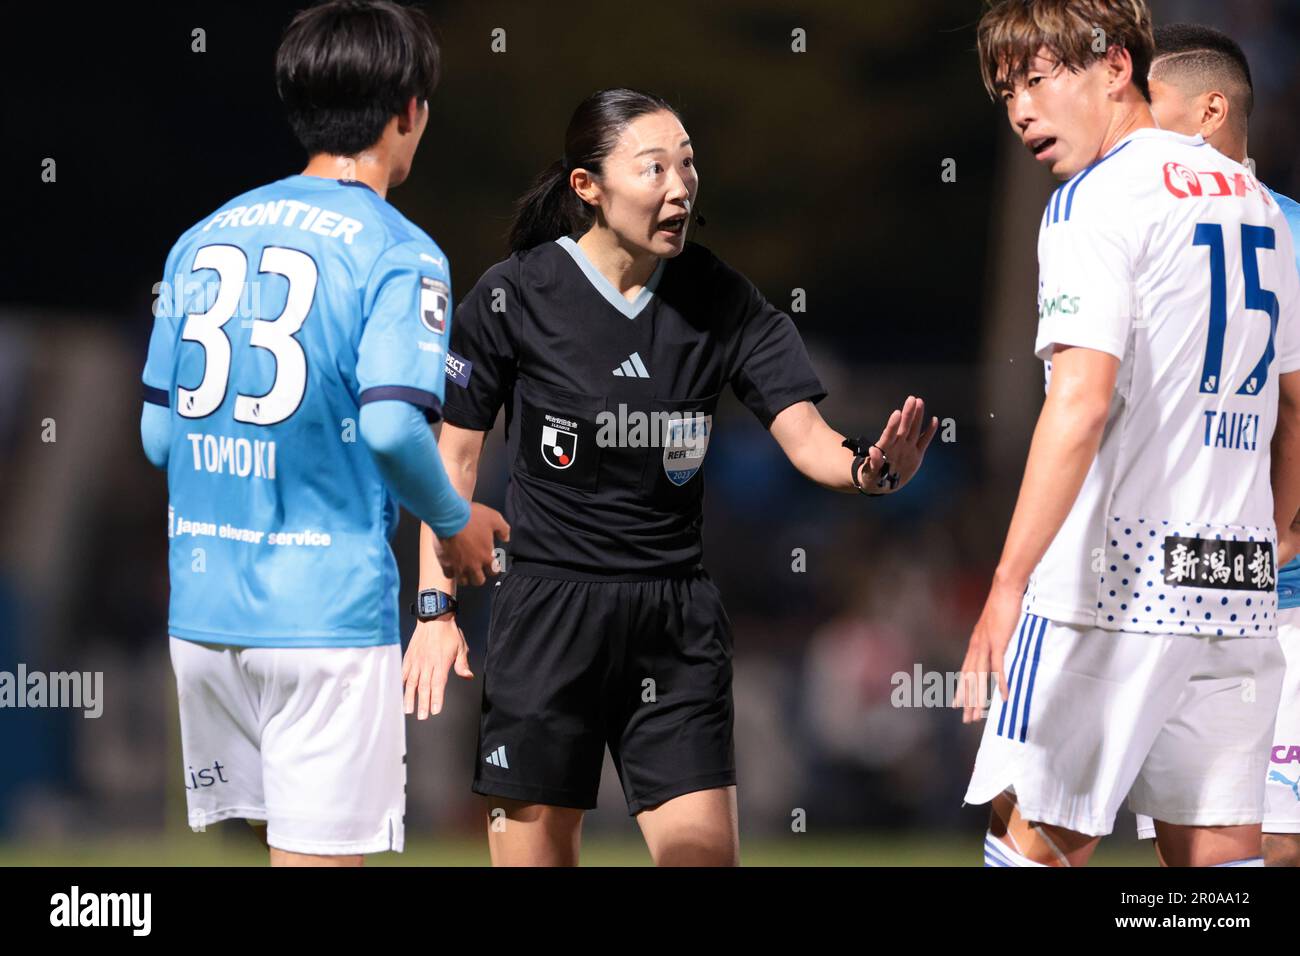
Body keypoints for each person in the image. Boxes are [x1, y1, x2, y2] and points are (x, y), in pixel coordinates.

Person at [400, 88, 938, 866]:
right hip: (548, 616)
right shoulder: (514, 296)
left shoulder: (720, 299)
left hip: (674, 626)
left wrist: (873, 469)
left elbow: (808, 437)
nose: (680, 186)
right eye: (653, 168)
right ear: (588, 186)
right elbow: (451, 461)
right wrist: (434, 609)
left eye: (688, 165)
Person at [139, 0, 506, 866]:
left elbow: (159, 439)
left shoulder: (200, 239)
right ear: (408, 111)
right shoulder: (399, 249)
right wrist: (457, 525)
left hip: (203, 616)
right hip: (326, 620)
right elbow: (388, 424)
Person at [956, 0, 1300, 868]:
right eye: (1006, 91)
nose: (1021, 108)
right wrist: (1274, 537)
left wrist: (1006, 583)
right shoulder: (1255, 201)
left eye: (1037, 79)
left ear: (1116, 68)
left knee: (1028, 841)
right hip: (1235, 587)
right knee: (1219, 865)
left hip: (1109, 587)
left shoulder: (1093, 201)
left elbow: (1080, 401)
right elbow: (1296, 408)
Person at [1140, 21, 1300, 868]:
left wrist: (1284, 538)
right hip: (1187, 585)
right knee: (1202, 855)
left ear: (1209, 111)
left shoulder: (1285, 232)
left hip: (1274, 593)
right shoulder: (1154, 227)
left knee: (1269, 841)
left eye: (1148, 106)